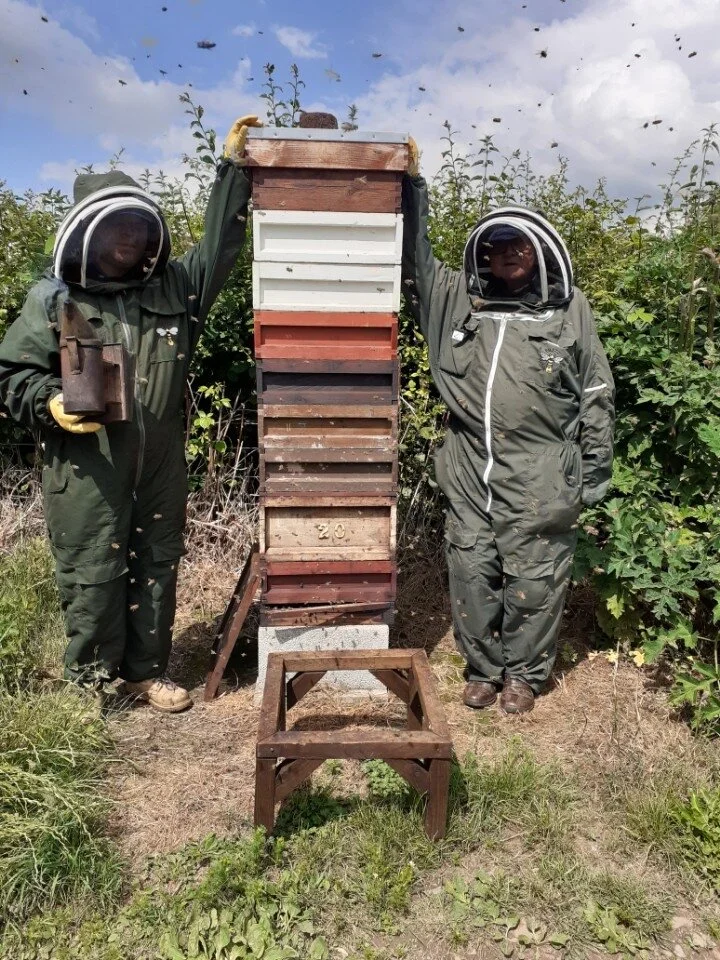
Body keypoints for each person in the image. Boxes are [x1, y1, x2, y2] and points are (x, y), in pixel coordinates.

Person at [0, 114, 261, 712]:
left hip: (160, 461)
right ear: (87, 232)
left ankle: (146, 672)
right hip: (87, 464)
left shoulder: (174, 289)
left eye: (138, 227)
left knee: (157, 561)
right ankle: (90, 683)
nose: (129, 238)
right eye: (117, 226)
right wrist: (49, 402)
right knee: (92, 565)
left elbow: (219, 247)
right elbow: (11, 373)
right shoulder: (54, 298)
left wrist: (234, 172)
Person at [401, 140, 615, 714]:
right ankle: (482, 669)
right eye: (496, 249)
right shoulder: (457, 304)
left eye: (518, 246)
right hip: (469, 465)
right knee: (471, 568)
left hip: (541, 471)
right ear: (483, 259)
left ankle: (523, 675)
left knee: (535, 577)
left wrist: (593, 474)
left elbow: (596, 392)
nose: (507, 256)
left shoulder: (569, 310)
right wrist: (411, 185)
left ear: (540, 253)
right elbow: (416, 259)